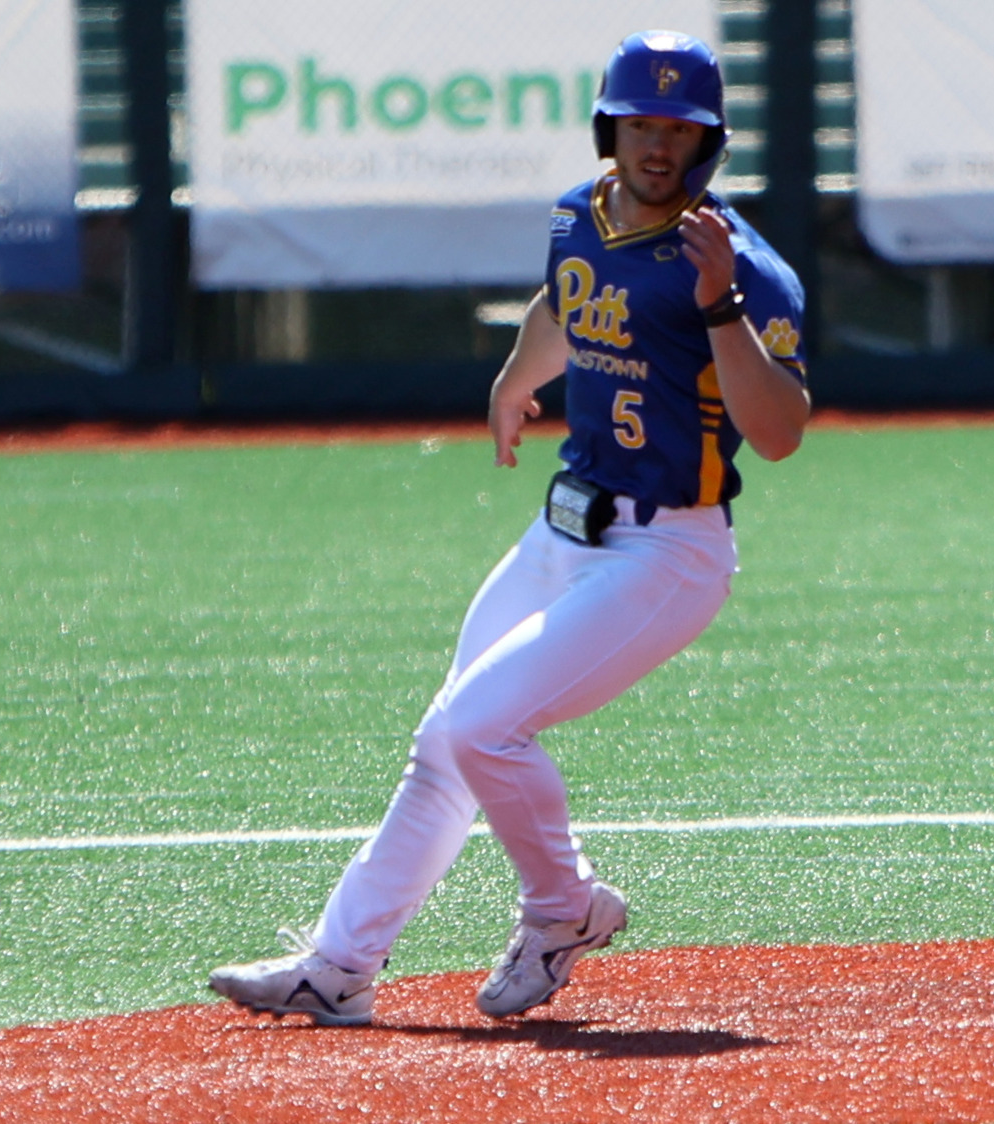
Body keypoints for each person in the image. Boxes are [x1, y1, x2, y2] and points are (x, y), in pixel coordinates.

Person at [208, 29, 811, 1024]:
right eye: (638, 123)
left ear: (710, 142)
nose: (656, 145)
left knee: (482, 722)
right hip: (565, 527)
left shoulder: (743, 267)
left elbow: (780, 433)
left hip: (668, 547)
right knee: (441, 743)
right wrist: (515, 376)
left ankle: (562, 907)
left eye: (678, 128)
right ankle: (339, 965)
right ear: (607, 128)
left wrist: (718, 306)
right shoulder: (581, 212)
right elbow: (569, 299)